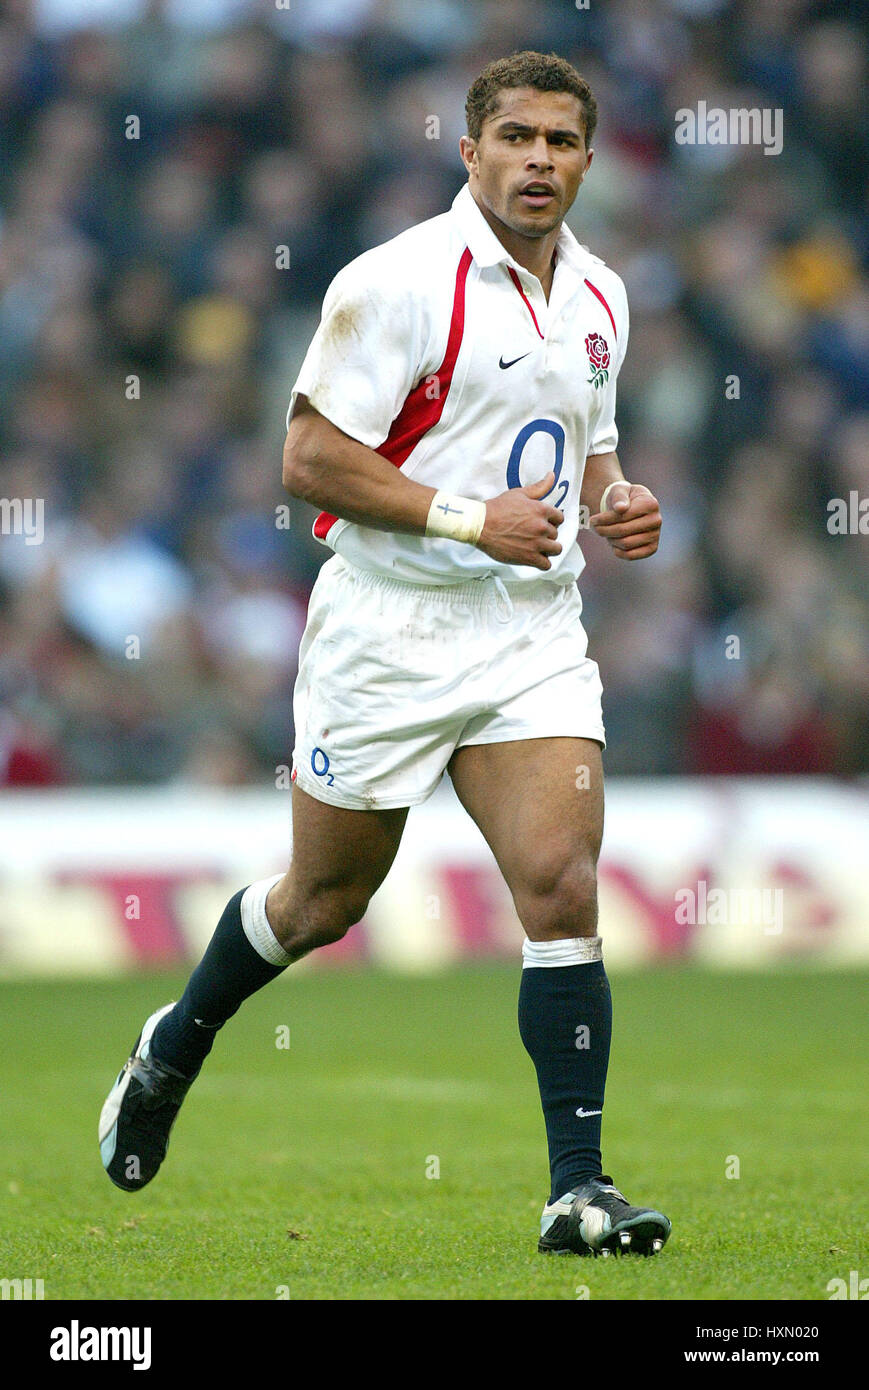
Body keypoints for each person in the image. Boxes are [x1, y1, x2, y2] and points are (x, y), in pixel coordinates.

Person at [99, 50, 670, 1259]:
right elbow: (306, 459)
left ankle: (578, 1190)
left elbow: (589, 449)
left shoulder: (603, 295)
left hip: (527, 632)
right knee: (321, 902)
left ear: (585, 158)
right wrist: (470, 521)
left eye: (561, 142)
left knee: (562, 885)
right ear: (468, 153)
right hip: (388, 629)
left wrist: (619, 502)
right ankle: (174, 1044)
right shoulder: (397, 283)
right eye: (513, 137)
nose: (537, 161)